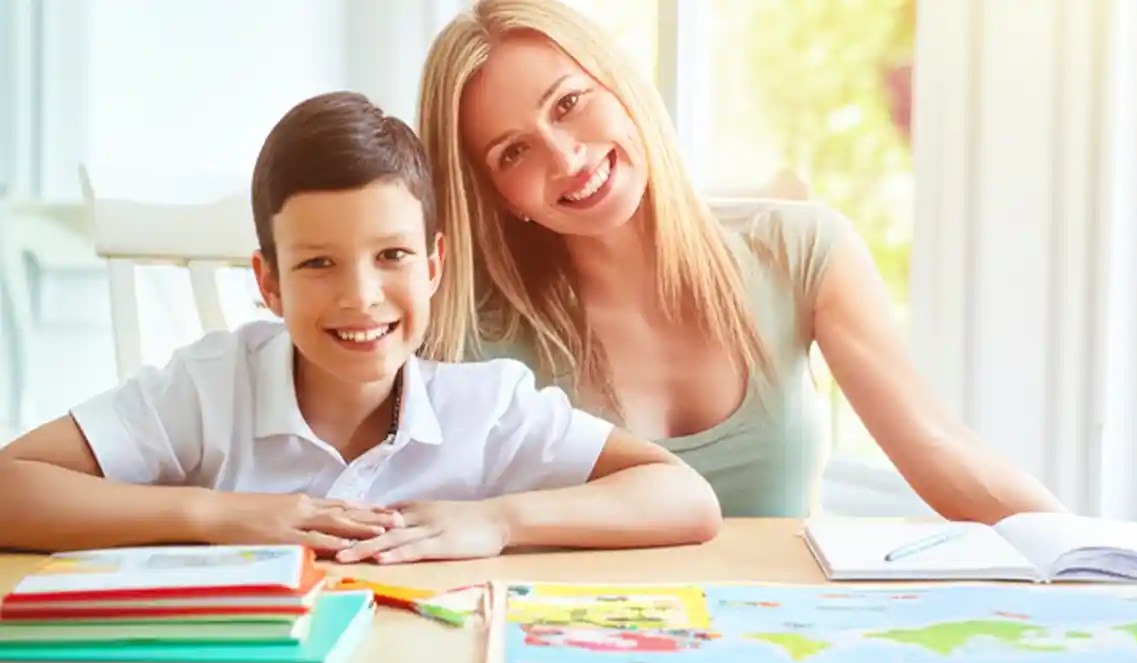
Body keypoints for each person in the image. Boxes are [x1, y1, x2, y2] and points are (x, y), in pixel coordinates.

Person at [415, 0, 1067, 522]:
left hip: (782, 654)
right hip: (582, 660)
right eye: (512, 153)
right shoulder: (473, 335)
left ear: (621, 87)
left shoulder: (801, 251)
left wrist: (1104, 561)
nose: (564, 156)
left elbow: (940, 452)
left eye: (568, 103)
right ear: (497, 197)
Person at [0, 91, 721, 562]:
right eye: (317, 263)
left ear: (434, 264)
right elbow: (11, 487)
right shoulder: (209, 389)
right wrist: (220, 515)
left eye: (393, 256)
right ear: (269, 283)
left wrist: (500, 522)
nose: (361, 295)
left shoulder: (488, 406)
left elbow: (685, 496)